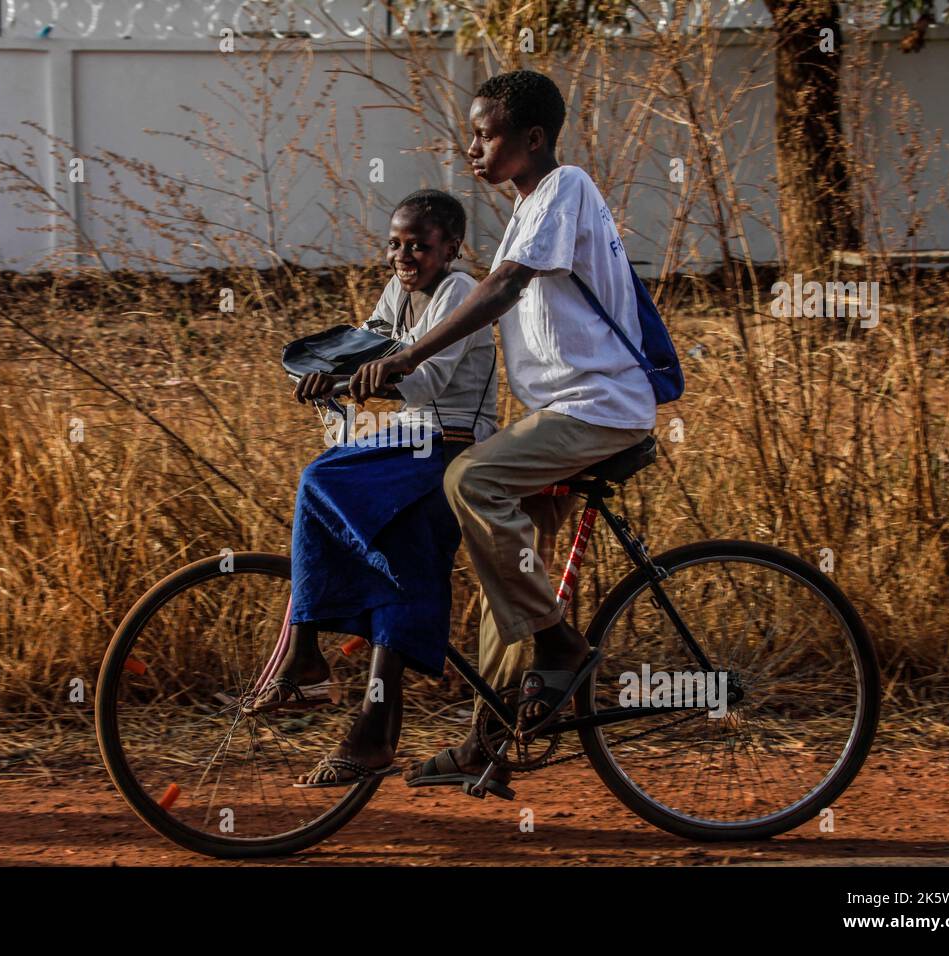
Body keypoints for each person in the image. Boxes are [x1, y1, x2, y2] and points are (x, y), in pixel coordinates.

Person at [346, 70, 657, 791]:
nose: (473, 150)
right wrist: (344, 369)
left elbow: (504, 288)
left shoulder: (564, 188)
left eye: (487, 135)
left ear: (534, 139)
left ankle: (560, 645)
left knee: (470, 478)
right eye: (473, 135)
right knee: (508, 578)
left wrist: (407, 357)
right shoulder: (527, 211)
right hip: (560, 416)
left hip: (598, 410)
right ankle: (491, 739)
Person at [249, 189, 499, 788]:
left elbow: (428, 379)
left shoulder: (459, 293)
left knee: (319, 480)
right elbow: (365, 344)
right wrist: (327, 376)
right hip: (408, 442)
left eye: (419, 245)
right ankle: (372, 728)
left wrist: (376, 378)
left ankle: (308, 658)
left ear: (450, 248)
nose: (404, 256)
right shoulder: (398, 292)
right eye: (395, 244)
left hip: (450, 443)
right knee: (396, 561)